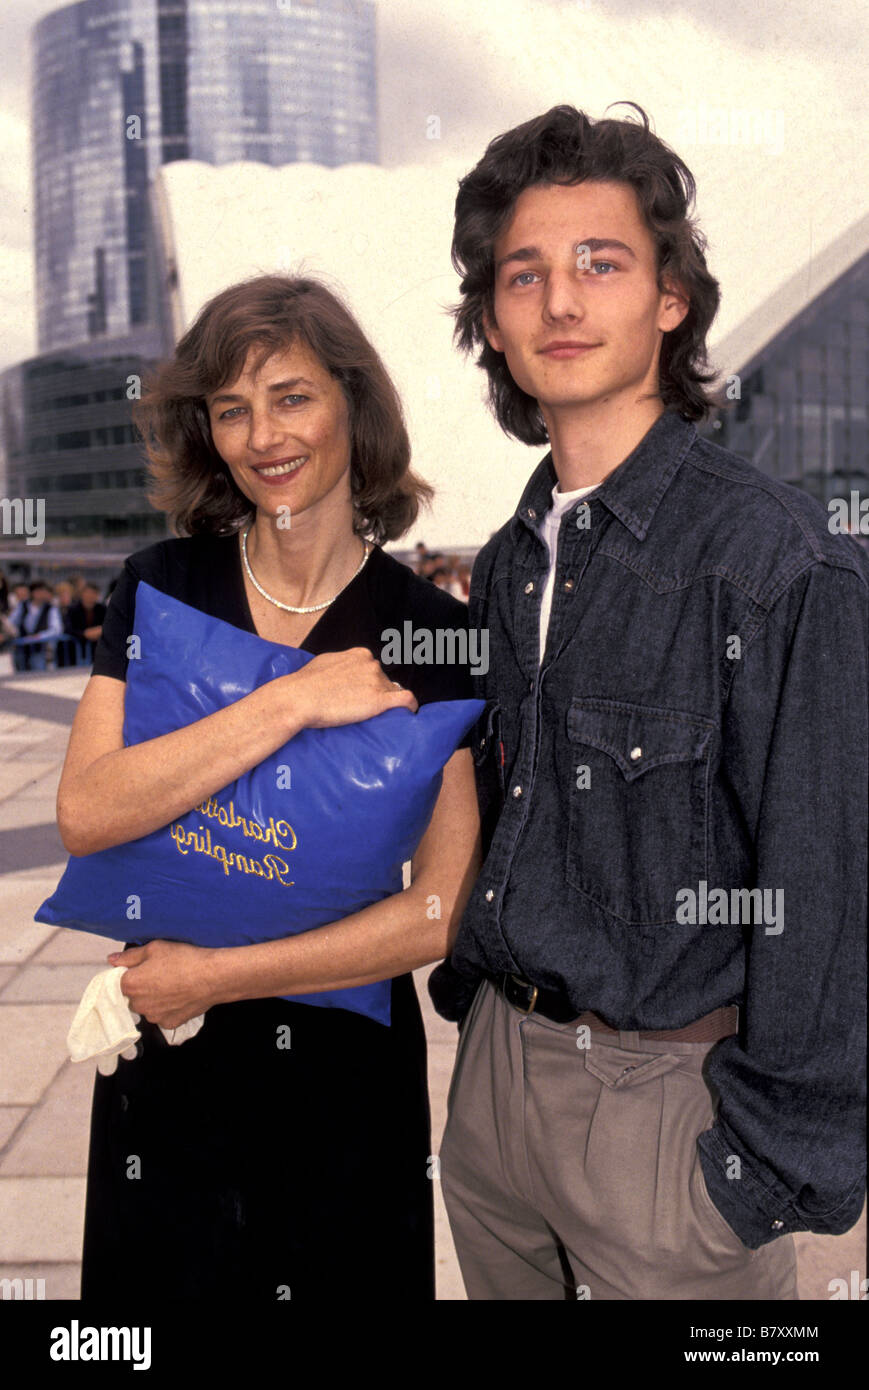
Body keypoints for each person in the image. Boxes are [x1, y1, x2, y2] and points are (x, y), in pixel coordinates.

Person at [429, 103, 867, 1300]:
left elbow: (824, 895)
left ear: (668, 299)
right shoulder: (517, 551)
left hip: (665, 1116)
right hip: (494, 1090)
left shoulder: (777, 562)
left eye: (598, 263)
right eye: (522, 275)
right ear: (491, 322)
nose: (558, 301)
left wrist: (761, 1166)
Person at [56, 273, 482, 1302]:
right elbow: (88, 810)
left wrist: (213, 975)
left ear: (352, 404)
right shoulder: (160, 583)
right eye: (231, 408)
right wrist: (287, 703)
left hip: (339, 1085)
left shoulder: (433, 628)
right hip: (168, 1082)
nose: (262, 435)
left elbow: (435, 909)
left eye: (290, 396)